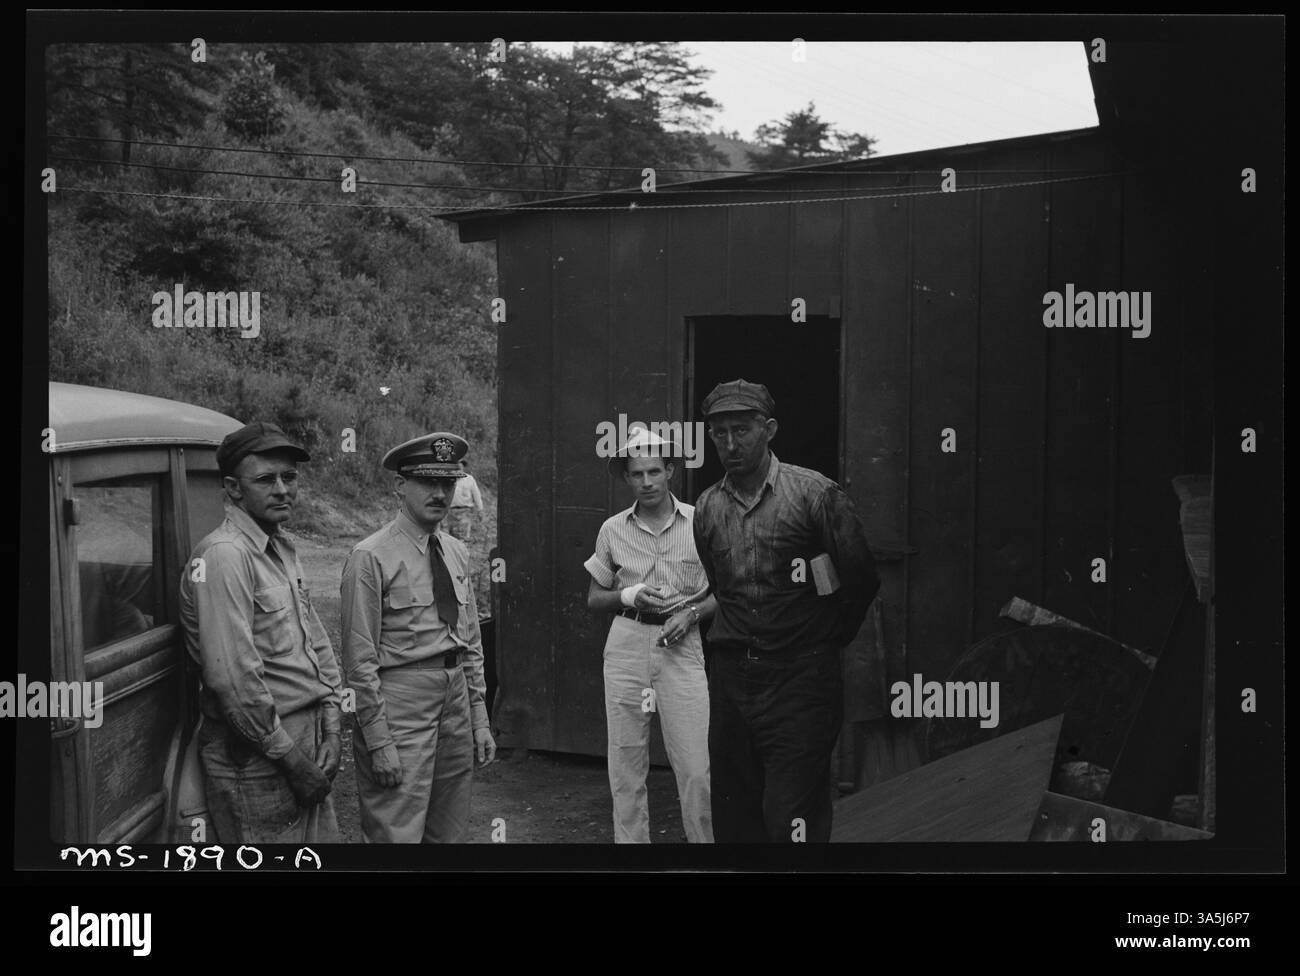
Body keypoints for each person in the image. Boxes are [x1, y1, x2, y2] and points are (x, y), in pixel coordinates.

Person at [692, 380, 881, 843]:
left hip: (801, 685)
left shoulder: (815, 496)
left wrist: (820, 641)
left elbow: (860, 580)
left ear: (769, 428)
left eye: (742, 429)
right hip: (733, 681)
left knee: (790, 817)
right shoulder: (708, 507)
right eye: (719, 433)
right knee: (734, 817)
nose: (730, 444)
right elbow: (721, 588)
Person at [179, 421, 343, 843]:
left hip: (300, 741)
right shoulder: (225, 556)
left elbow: (314, 640)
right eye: (266, 479)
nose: (283, 489)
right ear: (233, 489)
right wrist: (294, 762)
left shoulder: (280, 546)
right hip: (257, 758)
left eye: (289, 477)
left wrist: (331, 723)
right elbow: (232, 681)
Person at [340, 432, 496, 843]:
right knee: (396, 829)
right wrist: (377, 740)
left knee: (449, 831)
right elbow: (358, 660)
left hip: (455, 699)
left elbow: (471, 641)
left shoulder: (455, 551)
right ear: (400, 486)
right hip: (401, 703)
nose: (440, 493)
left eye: (448, 484)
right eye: (429, 482)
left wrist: (479, 716)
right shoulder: (370, 557)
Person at [584, 429, 715, 843]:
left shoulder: (702, 522)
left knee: (695, 768)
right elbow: (593, 598)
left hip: (681, 644)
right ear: (626, 478)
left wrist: (691, 614)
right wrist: (629, 594)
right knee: (625, 764)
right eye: (637, 473)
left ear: (671, 471)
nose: (647, 482)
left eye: (655, 471)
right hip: (627, 642)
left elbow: (725, 593)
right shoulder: (612, 529)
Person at [445, 459, 483, 543]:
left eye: (460, 466)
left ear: (463, 467)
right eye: (456, 466)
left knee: (464, 537)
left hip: (466, 511)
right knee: (452, 538)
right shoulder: (448, 479)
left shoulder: (469, 479)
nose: (458, 468)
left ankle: (463, 554)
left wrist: (480, 510)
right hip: (451, 511)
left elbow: (476, 494)